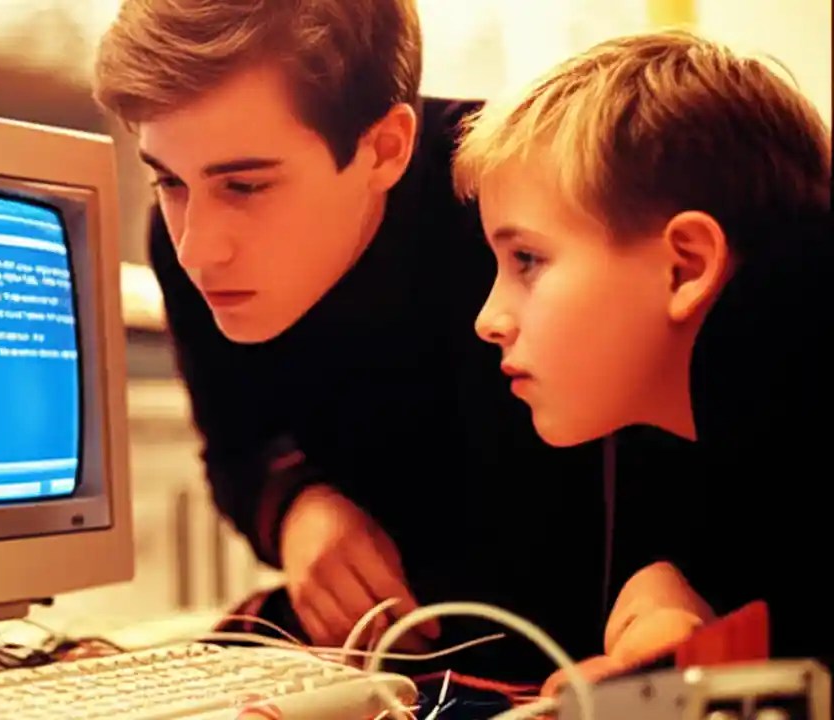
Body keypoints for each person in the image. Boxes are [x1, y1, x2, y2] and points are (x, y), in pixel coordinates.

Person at [91, 0, 631, 682]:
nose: (197, 249)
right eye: (168, 180)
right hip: (372, 667)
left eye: (246, 185)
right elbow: (237, 449)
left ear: (385, 149)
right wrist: (296, 508)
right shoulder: (183, 243)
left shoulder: (526, 203)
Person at [454, 29, 833, 691]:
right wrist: (674, 604)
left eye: (527, 261)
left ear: (684, 267)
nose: (488, 320)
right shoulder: (700, 414)